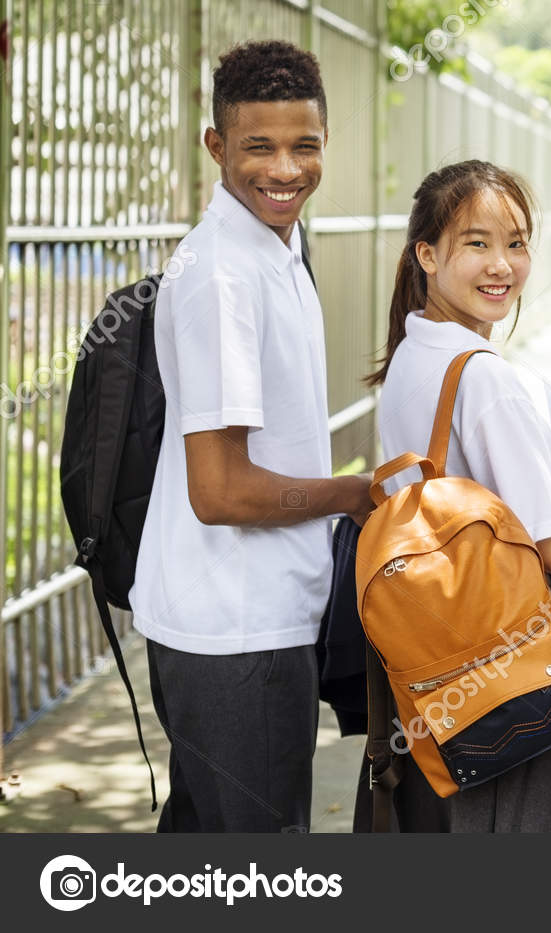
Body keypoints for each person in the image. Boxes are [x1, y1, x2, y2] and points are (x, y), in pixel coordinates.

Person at [131, 41, 374, 833]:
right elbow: (221, 490)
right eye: (258, 147)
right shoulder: (222, 274)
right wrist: (354, 493)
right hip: (236, 630)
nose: (285, 169)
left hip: (246, 618)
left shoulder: (277, 248)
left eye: (305, 145)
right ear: (216, 146)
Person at [366, 160, 551, 832]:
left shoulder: (410, 357)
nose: (501, 264)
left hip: (435, 669)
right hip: (511, 678)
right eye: (476, 243)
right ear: (427, 255)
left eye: (516, 243)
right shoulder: (486, 379)